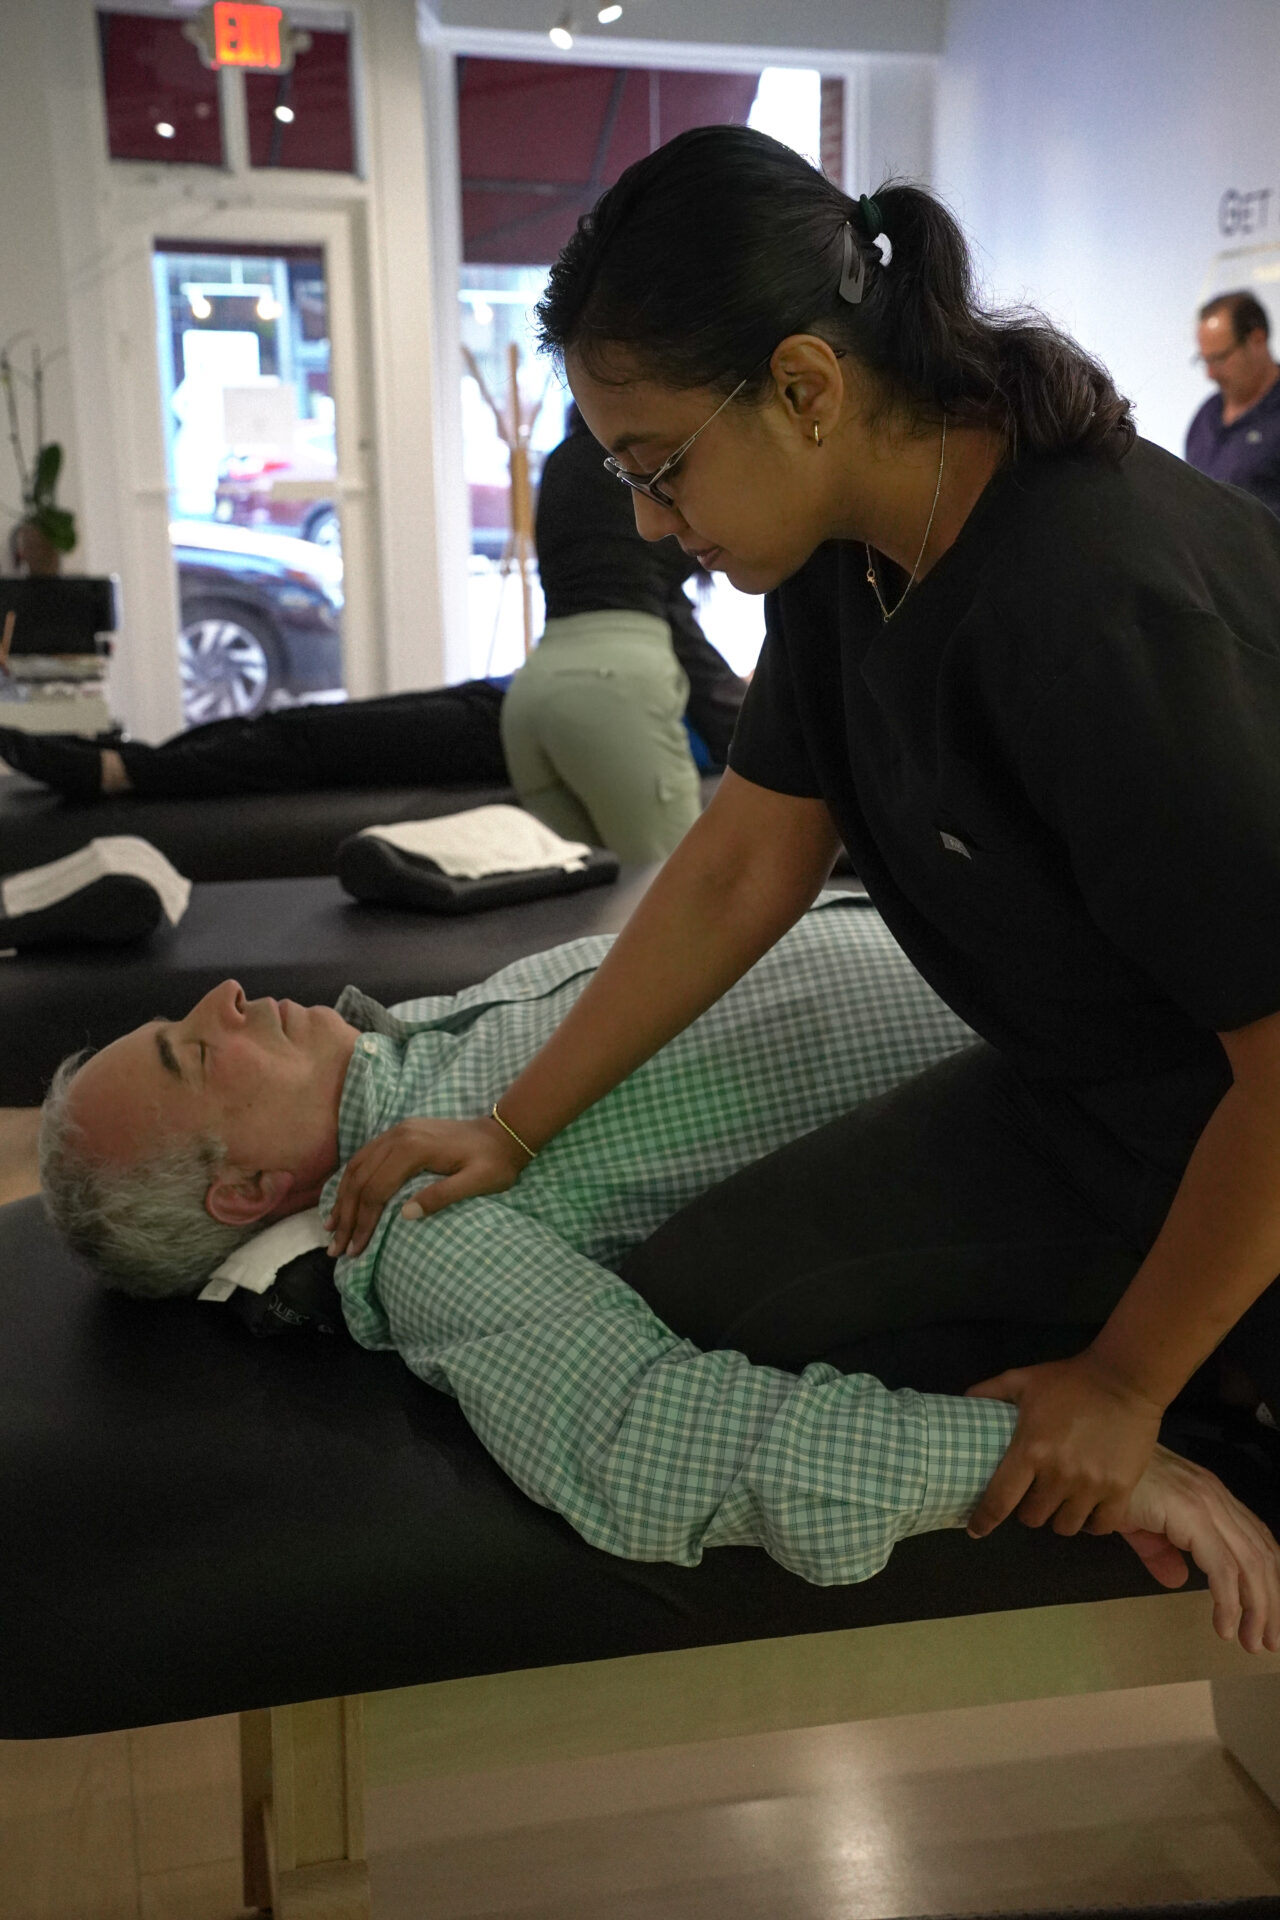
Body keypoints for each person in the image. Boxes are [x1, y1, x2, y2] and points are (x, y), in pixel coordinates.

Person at [317, 126, 1280, 1560]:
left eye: (660, 467)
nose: (647, 521)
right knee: (705, 1301)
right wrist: (512, 1121)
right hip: (1085, 1102)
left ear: (807, 387)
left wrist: (1127, 1385)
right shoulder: (841, 568)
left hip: (1232, 1147)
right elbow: (737, 868)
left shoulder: (1093, 609)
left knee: (1083, 1388)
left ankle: (1205, 1436)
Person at [36, 901, 1280, 1644]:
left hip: (1137, 993)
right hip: (1193, 1120)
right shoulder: (425, 1224)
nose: (229, 993)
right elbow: (646, 1442)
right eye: (196, 1051)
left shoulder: (424, 1045)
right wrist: (1096, 1462)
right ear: (248, 1194)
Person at [0, 422, 746, 861]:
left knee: (314, 743)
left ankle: (126, 770)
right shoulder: (635, 499)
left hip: (546, 703)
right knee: (309, 732)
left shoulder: (581, 468)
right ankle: (126, 764)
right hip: (553, 699)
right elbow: (688, 655)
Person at [499, 407, 740, 861]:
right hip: (614, 687)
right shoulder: (650, 461)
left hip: (531, 691)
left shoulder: (561, 460)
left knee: (576, 901)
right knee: (676, 887)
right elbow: (683, 629)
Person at [1185, 291, 1280, 516]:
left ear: (1257, 339)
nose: (1210, 374)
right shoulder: (1206, 416)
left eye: (1219, 359)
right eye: (1204, 360)